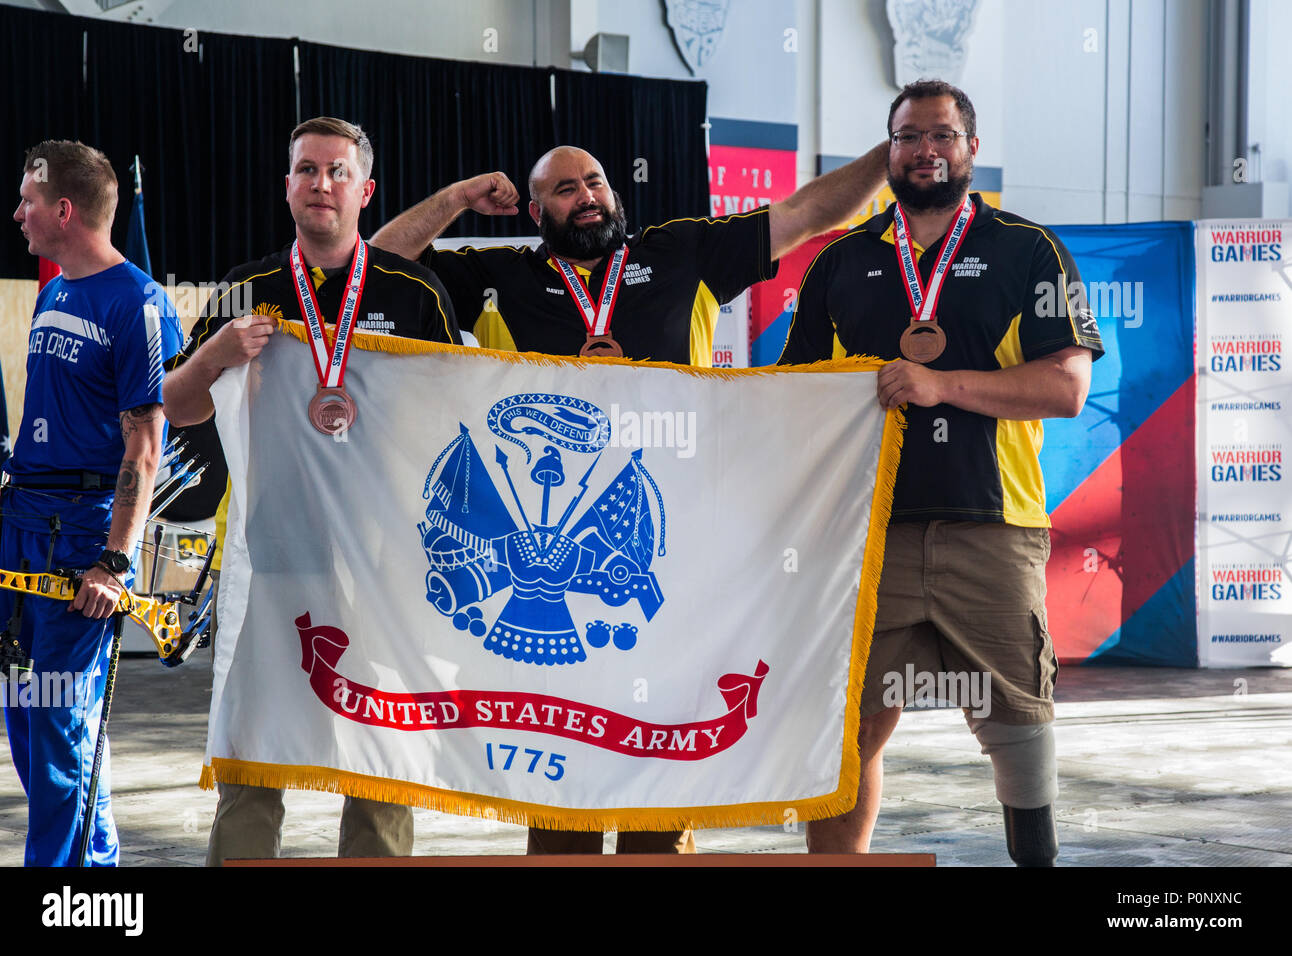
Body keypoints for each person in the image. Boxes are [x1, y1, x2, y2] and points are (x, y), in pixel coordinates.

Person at [371, 140, 891, 853]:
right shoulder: (501, 277)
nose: (585, 195)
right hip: (546, 577)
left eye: (595, 181)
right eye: (562, 189)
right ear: (534, 211)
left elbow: (804, 214)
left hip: (666, 559)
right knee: (560, 788)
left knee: (661, 774)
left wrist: (890, 155)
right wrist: (459, 197)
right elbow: (380, 267)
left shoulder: (683, 254)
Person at [778, 80, 1104, 866]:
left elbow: (1065, 388)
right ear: (887, 151)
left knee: (1017, 727)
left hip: (992, 529)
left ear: (971, 150)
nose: (925, 150)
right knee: (849, 729)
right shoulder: (841, 261)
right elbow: (792, 396)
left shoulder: (1031, 250)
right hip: (868, 535)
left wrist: (941, 384)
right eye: (907, 136)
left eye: (942, 136)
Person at [161, 117, 461, 864]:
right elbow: (177, 403)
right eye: (305, 170)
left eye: (335, 172)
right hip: (276, 551)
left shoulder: (413, 290)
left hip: (387, 559)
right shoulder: (250, 289)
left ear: (365, 190)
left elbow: (461, 412)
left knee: (383, 758)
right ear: (287, 185)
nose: (320, 184)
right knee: (253, 750)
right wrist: (215, 358)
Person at [0, 140, 180, 866]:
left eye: (28, 200)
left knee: (57, 729)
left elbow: (145, 444)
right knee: (27, 718)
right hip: (23, 527)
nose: (17, 213)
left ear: (64, 210)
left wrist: (115, 558)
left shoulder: (138, 301)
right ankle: (94, 869)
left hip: (80, 538)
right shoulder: (53, 291)